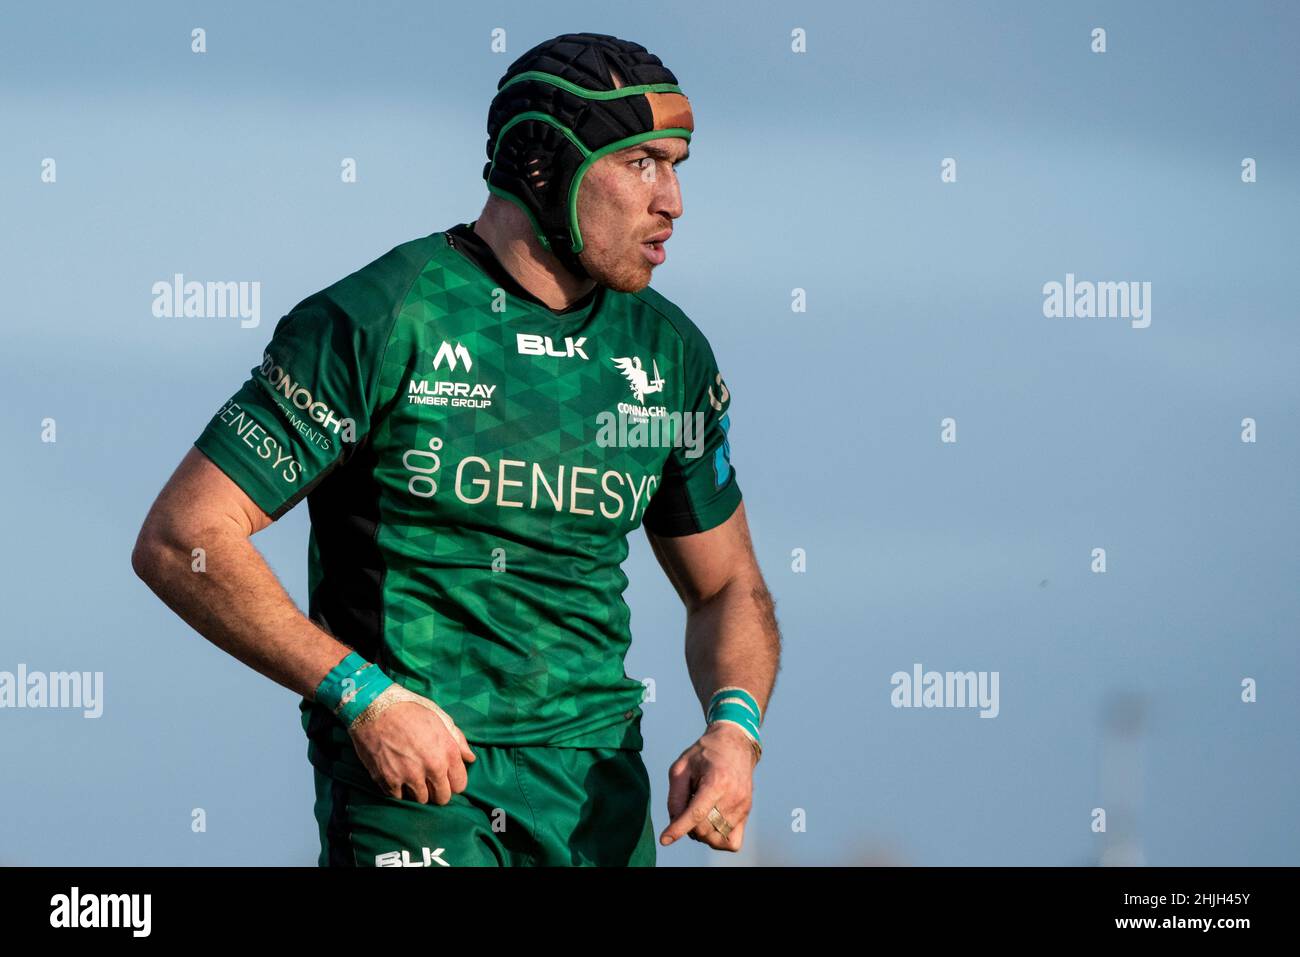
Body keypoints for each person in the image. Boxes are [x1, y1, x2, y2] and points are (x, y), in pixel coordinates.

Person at [132, 31, 781, 867]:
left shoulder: (668, 354)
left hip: (596, 796)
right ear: (546, 170)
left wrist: (735, 726)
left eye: (678, 166)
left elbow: (726, 583)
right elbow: (184, 536)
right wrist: (360, 695)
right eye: (643, 164)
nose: (674, 201)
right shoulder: (383, 315)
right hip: (420, 790)